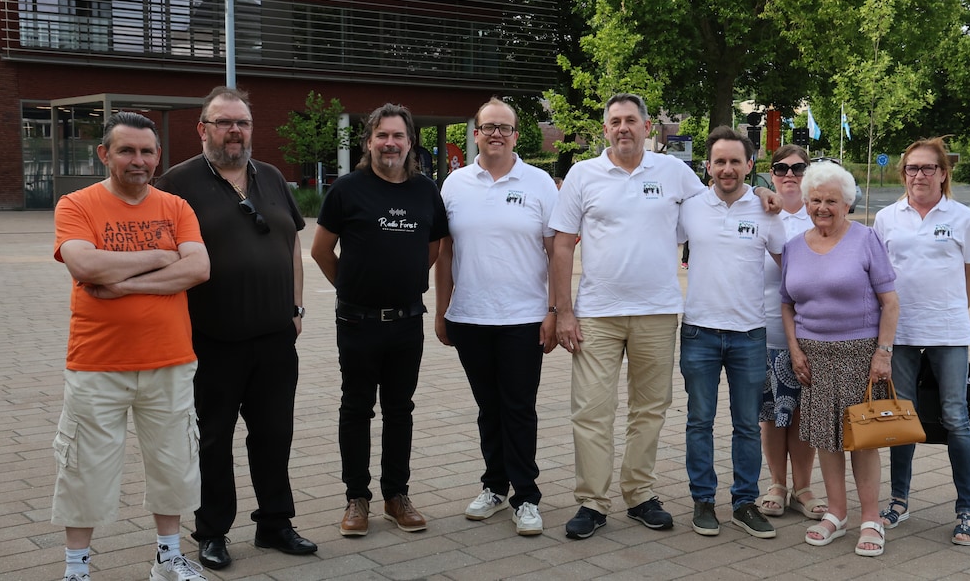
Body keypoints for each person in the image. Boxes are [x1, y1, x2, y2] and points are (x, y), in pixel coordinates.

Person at [549, 93, 779, 539]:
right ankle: (592, 502)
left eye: (631, 120)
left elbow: (725, 195)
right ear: (605, 129)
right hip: (597, 313)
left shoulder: (673, 172)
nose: (623, 128)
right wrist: (562, 311)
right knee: (592, 412)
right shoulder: (583, 174)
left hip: (658, 312)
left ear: (647, 126)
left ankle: (638, 495)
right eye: (615, 121)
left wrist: (764, 191)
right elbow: (562, 244)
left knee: (649, 410)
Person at [155, 86, 316, 570]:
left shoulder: (271, 177)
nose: (234, 131)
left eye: (242, 122)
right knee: (213, 438)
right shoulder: (175, 184)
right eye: (223, 122)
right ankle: (213, 531)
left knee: (274, 433)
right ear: (202, 128)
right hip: (211, 339)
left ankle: (274, 523)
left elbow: (291, 247)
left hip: (274, 338)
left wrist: (296, 308)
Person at [51, 112, 211, 581]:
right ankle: (76, 570)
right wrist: (162, 257)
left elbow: (198, 268)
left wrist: (121, 283)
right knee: (84, 468)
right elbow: (84, 264)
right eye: (126, 150)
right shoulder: (76, 204)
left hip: (171, 359)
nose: (137, 160)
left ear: (158, 156)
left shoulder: (176, 207)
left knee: (174, 464)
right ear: (105, 154)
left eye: (146, 151)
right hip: (97, 363)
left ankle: (168, 559)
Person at [312, 103, 449, 537]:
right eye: (382, 136)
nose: (390, 143)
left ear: (410, 143)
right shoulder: (347, 190)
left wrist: (403, 282)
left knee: (400, 409)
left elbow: (434, 247)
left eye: (398, 136)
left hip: (407, 322)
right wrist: (351, 290)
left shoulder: (425, 191)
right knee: (356, 408)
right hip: (357, 323)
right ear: (368, 141)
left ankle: (396, 495)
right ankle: (357, 498)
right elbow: (319, 250)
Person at [434, 98, 559, 536]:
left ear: (516, 135)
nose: (495, 135)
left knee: (519, 408)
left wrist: (555, 310)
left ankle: (526, 495)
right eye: (488, 127)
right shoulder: (454, 184)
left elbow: (556, 253)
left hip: (524, 317)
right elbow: (446, 252)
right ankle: (494, 487)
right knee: (489, 408)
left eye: (504, 128)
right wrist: (442, 309)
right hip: (470, 317)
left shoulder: (541, 183)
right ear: (475, 134)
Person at [780, 161, 898, 557]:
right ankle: (836, 514)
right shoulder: (794, 246)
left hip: (859, 355)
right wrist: (795, 349)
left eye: (831, 200)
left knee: (862, 440)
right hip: (812, 358)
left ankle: (870, 519)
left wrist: (883, 353)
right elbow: (787, 303)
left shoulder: (865, 239)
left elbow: (890, 302)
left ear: (847, 203)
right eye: (815, 199)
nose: (822, 207)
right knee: (825, 440)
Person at [873, 136, 970, 546]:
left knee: (956, 418)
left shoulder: (963, 217)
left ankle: (966, 511)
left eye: (928, 168)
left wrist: (952, 313)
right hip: (900, 334)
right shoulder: (886, 218)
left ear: (943, 173)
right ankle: (899, 501)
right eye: (912, 168)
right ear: (903, 173)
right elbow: (880, 277)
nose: (919, 175)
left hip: (949, 333)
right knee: (904, 419)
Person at [677, 126, 784, 538]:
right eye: (719, 161)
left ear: (749, 166)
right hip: (699, 332)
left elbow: (790, 265)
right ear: (708, 166)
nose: (727, 168)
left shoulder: (766, 211)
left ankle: (744, 502)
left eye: (735, 161)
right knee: (699, 421)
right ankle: (703, 501)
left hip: (749, 334)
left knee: (746, 424)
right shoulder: (690, 207)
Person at [757, 146, 827, 521]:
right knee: (770, 413)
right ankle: (777, 484)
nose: (789, 175)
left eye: (798, 168)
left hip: (812, 334)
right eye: (781, 168)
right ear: (770, 173)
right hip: (765, 328)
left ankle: (803, 487)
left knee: (802, 412)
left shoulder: (817, 215)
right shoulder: (759, 211)